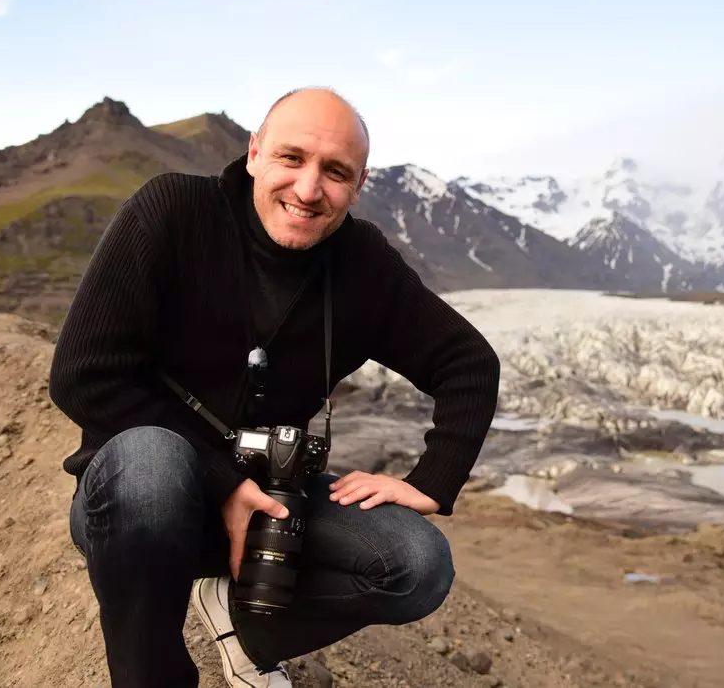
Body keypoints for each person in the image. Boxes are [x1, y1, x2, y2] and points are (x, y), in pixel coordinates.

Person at [49, 86, 501, 688]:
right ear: (255, 153)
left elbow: (469, 362)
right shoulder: (172, 212)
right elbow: (82, 373)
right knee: (152, 461)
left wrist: (431, 481)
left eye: (335, 172)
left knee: (418, 566)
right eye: (292, 159)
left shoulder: (361, 264)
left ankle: (246, 631)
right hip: (139, 504)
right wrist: (225, 481)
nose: (310, 189)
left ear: (359, 184)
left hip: (275, 508)